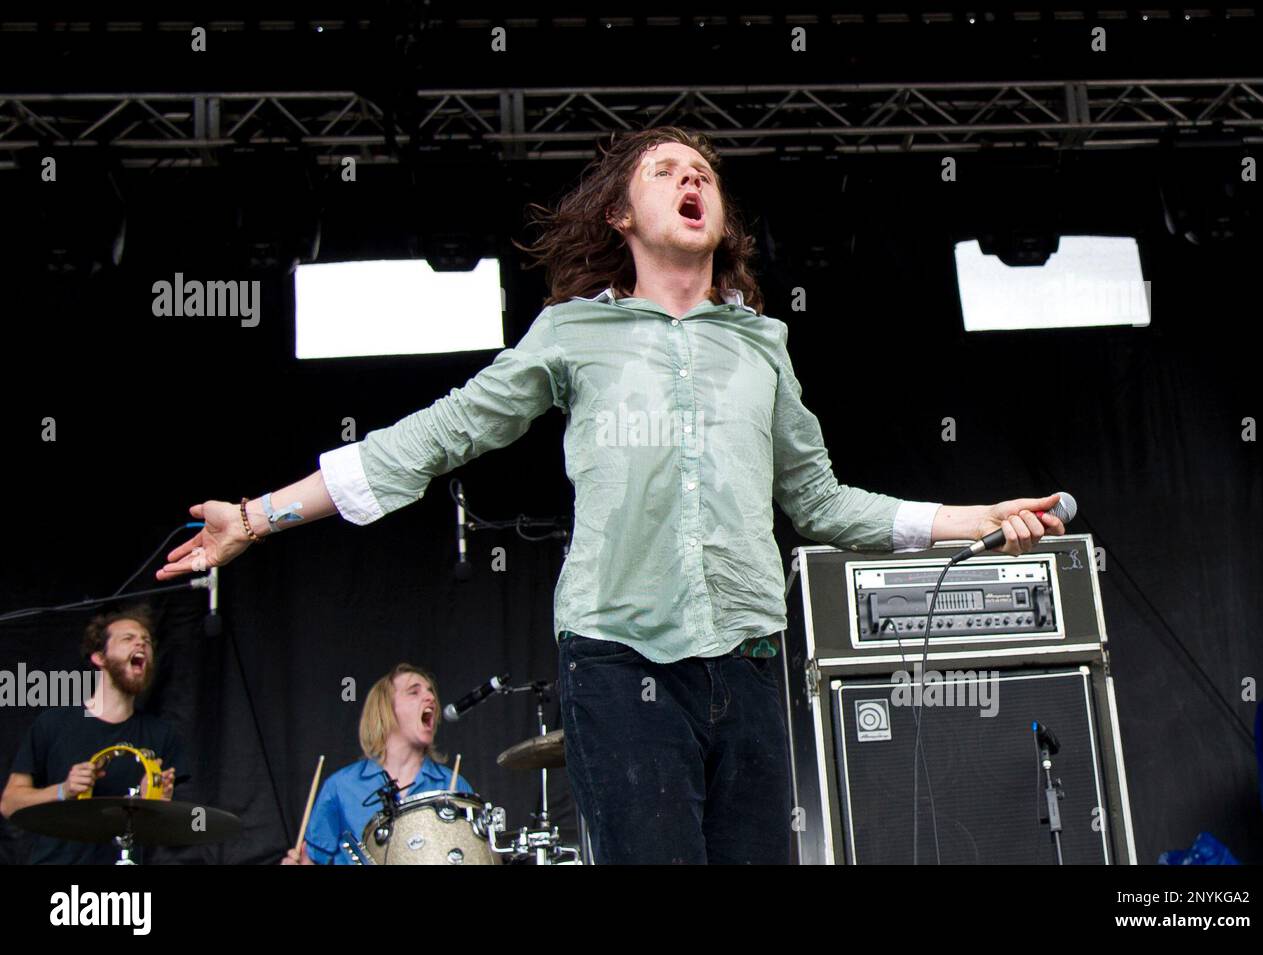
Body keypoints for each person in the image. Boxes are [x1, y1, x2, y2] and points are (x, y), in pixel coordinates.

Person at [156, 125, 1064, 864]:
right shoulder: (573, 333)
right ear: (624, 218)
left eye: (703, 171)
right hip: (620, 663)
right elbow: (441, 433)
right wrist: (263, 513)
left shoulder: (762, 347)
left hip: (746, 662)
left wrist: (967, 520)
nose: (691, 178)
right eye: (666, 169)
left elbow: (821, 501)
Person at [1, 604, 184, 864]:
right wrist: (63, 790)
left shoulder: (162, 734)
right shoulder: (54, 723)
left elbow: (170, 833)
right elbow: (9, 804)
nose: (141, 645)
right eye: (128, 639)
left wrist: (151, 804)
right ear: (99, 657)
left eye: (146, 641)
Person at [281, 663, 473, 865]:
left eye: (430, 692)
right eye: (413, 692)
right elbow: (312, 860)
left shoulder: (455, 786)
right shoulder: (340, 787)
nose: (431, 698)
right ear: (385, 709)